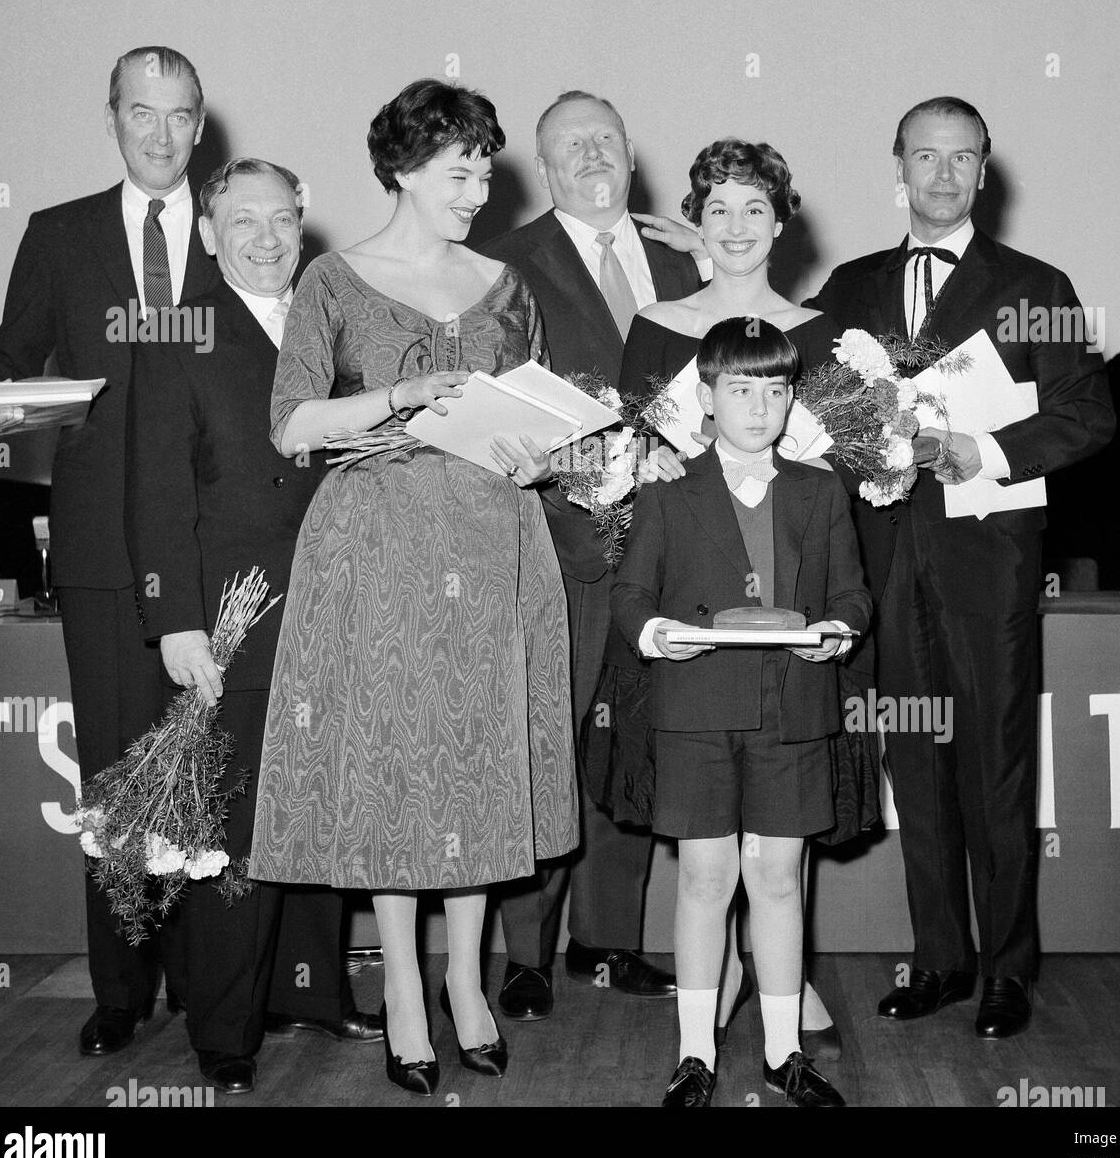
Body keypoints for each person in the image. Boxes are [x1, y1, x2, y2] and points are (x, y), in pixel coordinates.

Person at [248, 80, 578, 1096]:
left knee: (475, 764)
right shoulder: (332, 282)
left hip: (491, 544)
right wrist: (396, 394)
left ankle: (468, 988)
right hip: (376, 547)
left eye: (485, 170)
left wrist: (542, 452)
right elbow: (292, 425)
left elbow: (537, 419)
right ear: (399, 169)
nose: (477, 190)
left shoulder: (505, 284)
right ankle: (401, 992)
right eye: (457, 171)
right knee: (396, 769)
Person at [804, 97, 1115, 1038]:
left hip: (989, 556)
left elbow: (1087, 415)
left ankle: (1007, 972)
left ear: (986, 172)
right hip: (883, 555)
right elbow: (814, 416)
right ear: (896, 167)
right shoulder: (847, 286)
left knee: (997, 766)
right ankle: (940, 958)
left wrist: (979, 449)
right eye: (926, 156)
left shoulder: (1037, 283)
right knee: (916, 761)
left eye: (963, 158)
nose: (943, 174)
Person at [0, 46, 219, 1056]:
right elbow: (13, 355)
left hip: (215, 549)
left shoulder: (241, 227)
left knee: (207, 771)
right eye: (141, 114)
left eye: (179, 115)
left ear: (202, 124)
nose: (160, 134)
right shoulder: (59, 236)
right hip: (105, 547)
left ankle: (212, 978)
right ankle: (120, 985)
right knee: (116, 779)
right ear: (112, 117)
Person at [603, 139, 877, 1056]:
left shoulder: (822, 328)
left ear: (780, 221)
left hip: (791, 606)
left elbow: (842, 473)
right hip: (693, 602)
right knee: (705, 853)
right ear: (694, 222)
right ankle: (704, 1009)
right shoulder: (659, 322)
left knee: (779, 850)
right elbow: (631, 464)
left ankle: (776, 995)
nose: (735, 227)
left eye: (754, 209)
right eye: (717, 209)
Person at [125, 158, 382, 1094]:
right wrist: (176, 623)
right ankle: (226, 1027)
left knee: (318, 811)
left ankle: (312, 993)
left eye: (282, 219)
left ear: (304, 223)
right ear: (207, 233)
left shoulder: (338, 320)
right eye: (243, 222)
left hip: (333, 610)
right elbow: (154, 489)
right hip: (232, 624)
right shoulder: (176, 335)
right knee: (232, 830)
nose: (266, 238)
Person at [479, 92, 700, 1019]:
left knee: (635, 743)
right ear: (542, 166)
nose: (592, 156)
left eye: (605, 138)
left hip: (681, 546)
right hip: (562, 546)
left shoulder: (687, 256)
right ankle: (526, 952)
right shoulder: (505, 265)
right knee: (551, 744)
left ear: (633, 149)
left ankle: (606, 942)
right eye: (570, 146)